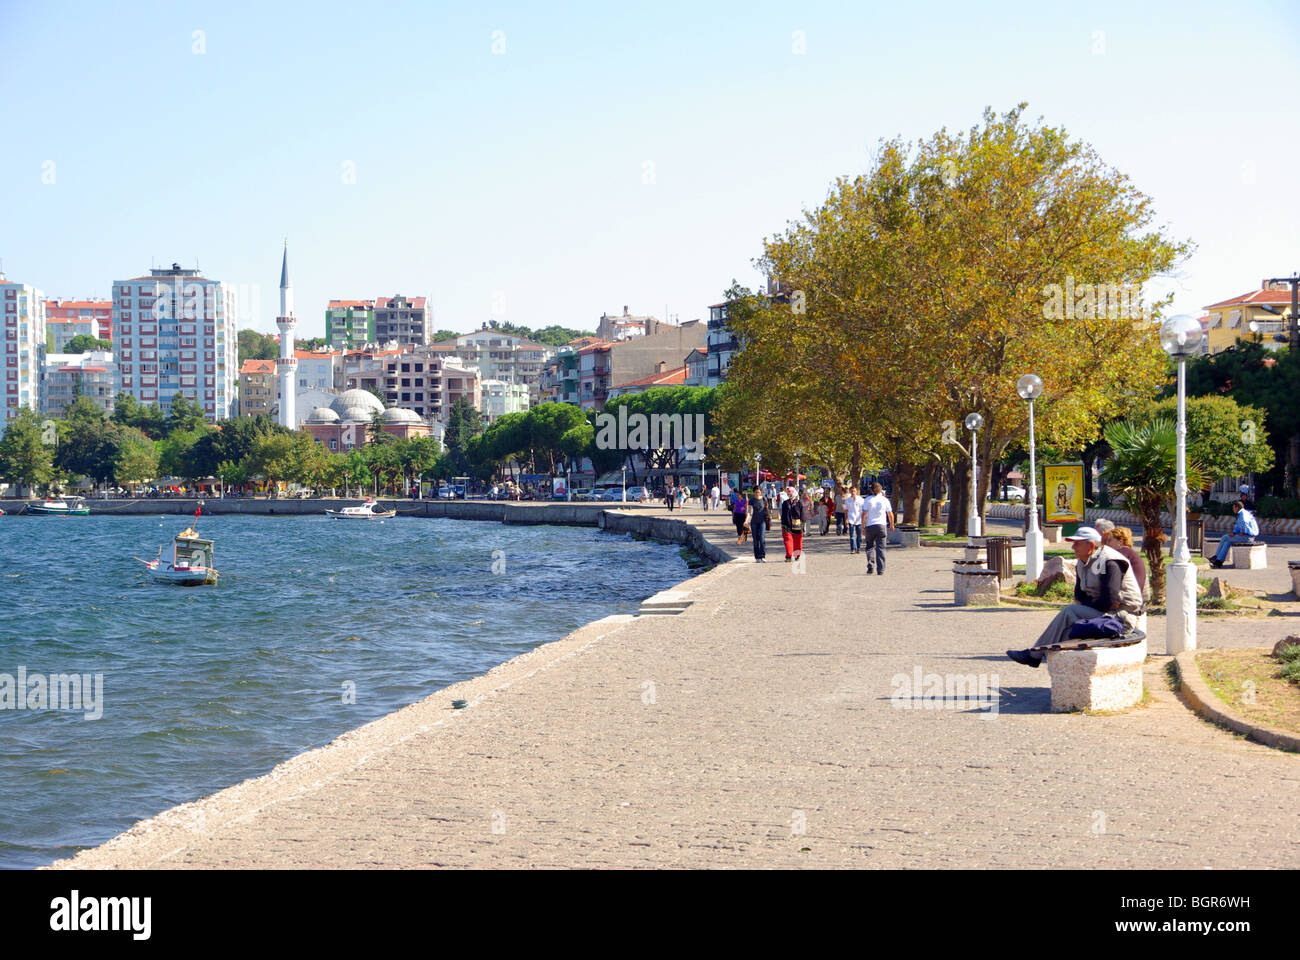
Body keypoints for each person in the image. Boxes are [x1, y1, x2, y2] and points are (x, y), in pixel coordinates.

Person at [1005, 526, 1144, 667]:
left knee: (1070, 611)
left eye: (1077, 543)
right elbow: (1079, 595)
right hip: (1104, 614)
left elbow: (1107, 601)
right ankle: (1061, 677)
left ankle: (1033, 656)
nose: (1072, 547)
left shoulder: (1109, 561)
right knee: (1066, 634)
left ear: (1090, 545)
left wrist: (1093, 602)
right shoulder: (1083, 563)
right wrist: (1094, 601)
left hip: (1120, 619)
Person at [1094, 519, 1148, 597]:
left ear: (1120, 541)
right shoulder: (1129, 553)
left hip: (1129, 598)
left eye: (1109, 540)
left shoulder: (1122, 553)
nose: (1107, 544)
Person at [1209, 500, 1259, 568]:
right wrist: (1234, 532)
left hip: (1248, 537)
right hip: (1248, 536)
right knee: (1227, 542)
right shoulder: (1242, 513)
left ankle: (1216, 556)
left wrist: (1242, 531)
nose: (1233, 509)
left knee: (1224, 537)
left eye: (1233, 508)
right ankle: (1219, 562)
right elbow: (1238, 525)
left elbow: (1244, 523)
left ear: (1237, 507)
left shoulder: (1242, 514)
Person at [862, 482, 894, 575]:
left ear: (871, 490)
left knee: (869, 547)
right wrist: (892, 524)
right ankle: (881, 569)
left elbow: (864, 514)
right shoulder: (885, 500)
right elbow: (890, 514)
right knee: (881, 548)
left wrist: (862, 525)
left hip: (870, 525)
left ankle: (871, 566)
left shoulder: (867, 500)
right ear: (881, 490)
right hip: (881, 525)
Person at [780, 485, 805, 561]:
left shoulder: (799, 503)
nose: (789, 494)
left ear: (794, 493)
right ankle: (788, 556)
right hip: (787, 524)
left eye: (790, 492)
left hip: (797, 524)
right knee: (788, 540)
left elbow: (802, 514)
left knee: (798, 540)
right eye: (788, 492)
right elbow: (783, 514)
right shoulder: (785, 503)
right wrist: (782, 523)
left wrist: (802, 524)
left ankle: (797, 555)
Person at [748, 486, 770, 562]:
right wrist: (746, 521)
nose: (757, 493)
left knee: (762, 538)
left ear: (761, 492)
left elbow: (767, 510)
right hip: (754, 522)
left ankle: (762, 555)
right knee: (755, 540)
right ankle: (757, 557)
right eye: (756, 492)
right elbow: (749, 512)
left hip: (762, 521)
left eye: (759, 492)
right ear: (754, 493)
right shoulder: (751, 500)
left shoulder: (764, 500)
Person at [844, 485, 865, 553]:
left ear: (856, 492)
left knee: (859, 535)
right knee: (852, 535)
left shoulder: (861, 500)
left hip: (859, 519)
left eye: (854, 491)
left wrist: (864, 520)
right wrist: (846, 520)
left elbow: (863, 510)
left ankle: (858, 548)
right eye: (852, 491)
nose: (853, 492)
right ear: (850, 492)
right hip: (851, 519)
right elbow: (846, 510)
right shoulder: (847, 500)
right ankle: (853, 548)